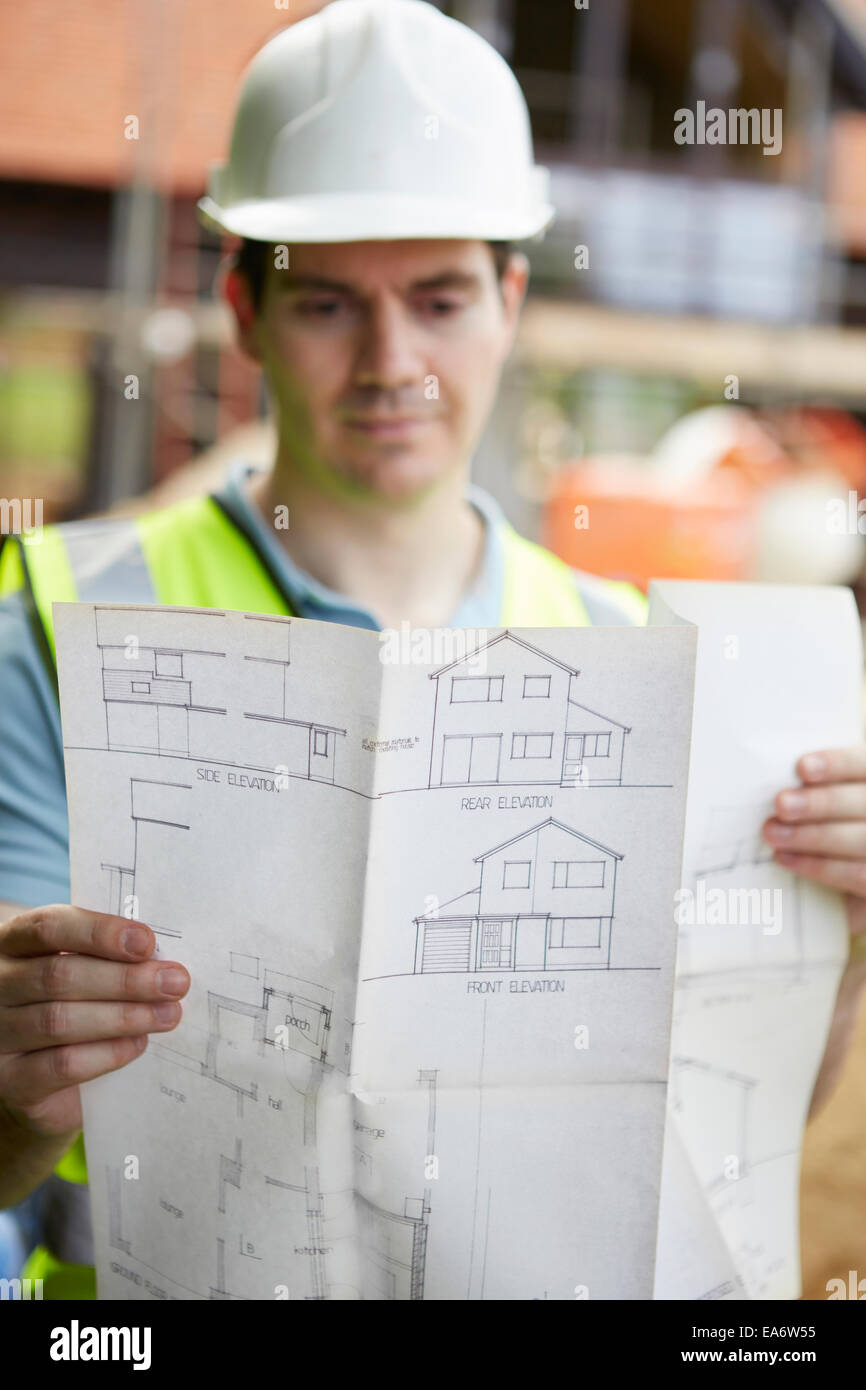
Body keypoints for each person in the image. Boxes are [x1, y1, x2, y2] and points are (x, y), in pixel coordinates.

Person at [0, 0, 864, 1301]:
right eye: (331, 304)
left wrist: (833, 955)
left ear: (508, 302)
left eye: (440, 297)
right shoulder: (57, 620)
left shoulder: (633, 656)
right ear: (242, 307)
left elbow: (704, 1132)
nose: (390, 361)